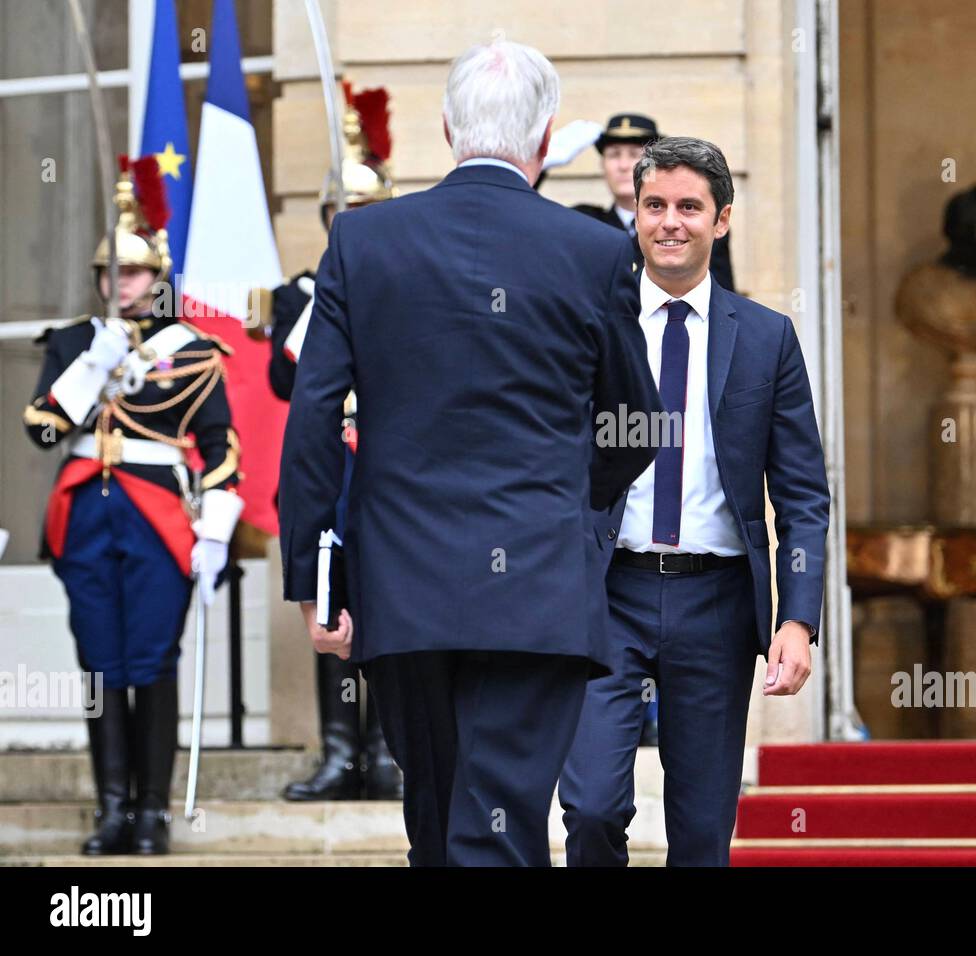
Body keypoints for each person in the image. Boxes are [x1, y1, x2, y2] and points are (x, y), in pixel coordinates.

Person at [277, 39, 662, 866]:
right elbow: (635, 421)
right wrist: (571, 501)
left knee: (439, 823)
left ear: (449, 129)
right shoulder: (597, 251)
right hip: (537, 585)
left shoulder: (362, 241)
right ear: (544, 133)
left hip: (405, 585)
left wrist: (314, 577)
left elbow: (312, 417)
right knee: (496, 826)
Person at [559, 136, 831, 866]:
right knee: (588, 807)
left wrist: (798, 619)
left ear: (722, 220)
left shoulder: (767, 339)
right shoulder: (591, 329)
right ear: (636, 217)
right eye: (654, 205)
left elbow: (803, 491)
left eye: (688, 206)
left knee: (703, 831)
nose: (669, 221)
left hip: (716, 600)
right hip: (604, 593)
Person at [22, 155, 243, 855]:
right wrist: (92, 365)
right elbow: (45, 431)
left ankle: (151, 811)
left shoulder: (193, 351)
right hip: (86, 509)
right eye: (110, 274)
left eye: (135, 273)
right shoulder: (72, 344)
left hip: (156, 515)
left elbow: (222, 447)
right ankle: (110, 809)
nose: (122, 283)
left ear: (158, 278)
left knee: (151, 660)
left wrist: (215, 525)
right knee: (98, 661)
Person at [259, 82, 402, 802]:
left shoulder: (404, 288)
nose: (350, 222)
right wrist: (327, 293)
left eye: (365, 213)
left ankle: (385, 752)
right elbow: (284, 379)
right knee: (328, 608)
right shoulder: (298, 295)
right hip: (326, 474)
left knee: (387, 606)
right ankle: (339, 751)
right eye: (341, 213)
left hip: (380, 467)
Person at [574, 113, 735, 292]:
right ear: (602, 164)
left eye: (635, 154)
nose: (624, 165)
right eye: (614, 155)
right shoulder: (585, 221)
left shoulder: (702, 225)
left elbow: (723, 298)